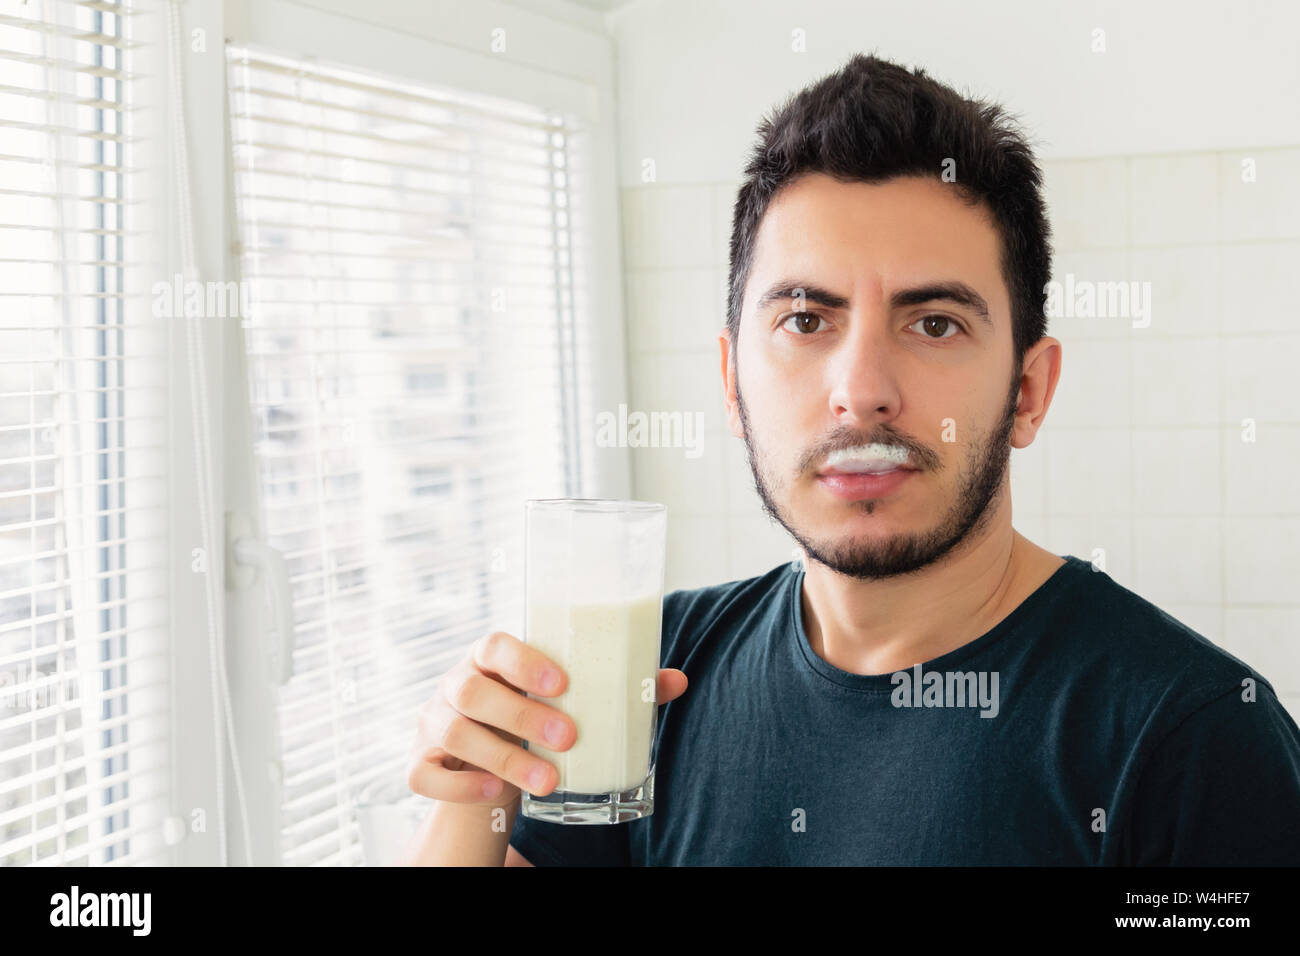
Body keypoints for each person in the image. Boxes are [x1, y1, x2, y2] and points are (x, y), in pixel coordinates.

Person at [401, 52, 1300, 866]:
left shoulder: (1194, 739)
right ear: (730, 383)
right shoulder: (656, 671)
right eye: (805, 320)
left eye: (934, 323)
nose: (861, 388)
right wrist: (470, 801)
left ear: (1028, 391)